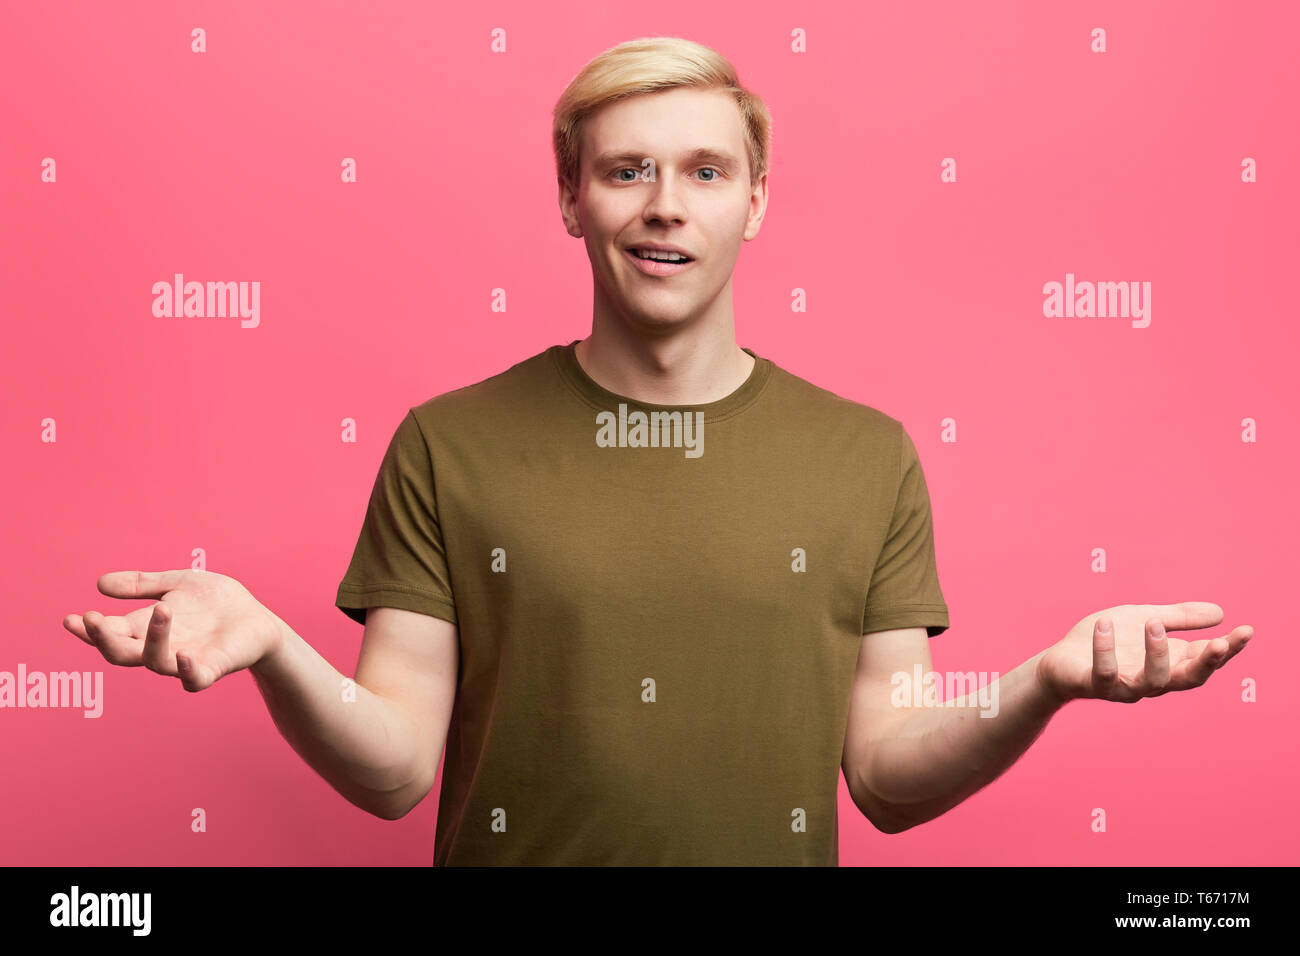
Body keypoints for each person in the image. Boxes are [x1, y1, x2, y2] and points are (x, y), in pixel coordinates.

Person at [63, 37, 1253, 866]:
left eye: (704, 171)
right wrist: (273, 645)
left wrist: (1038, 681)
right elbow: (393, 770)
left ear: (756, 202)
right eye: (626, 169)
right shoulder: (448, 442)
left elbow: (888, 775)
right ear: (571, 197)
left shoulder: (867, 456)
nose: (664, 204)